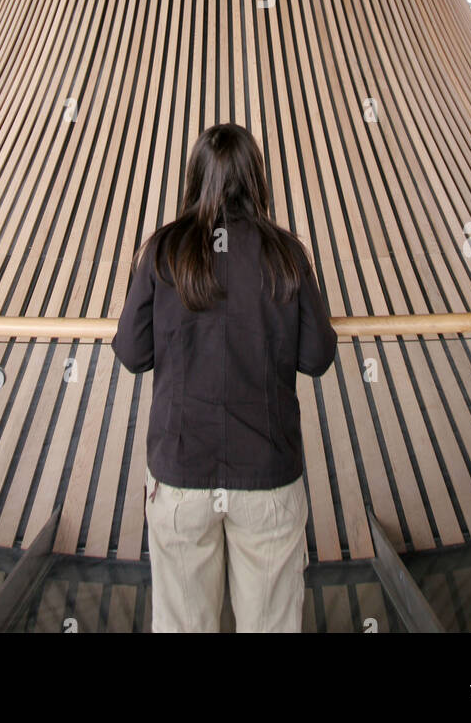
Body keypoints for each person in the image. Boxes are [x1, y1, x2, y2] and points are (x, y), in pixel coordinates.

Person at [112, 122, 337, 633]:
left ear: (194, 176)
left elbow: (132, 352)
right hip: (267, 472)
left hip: (180, 470)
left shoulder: (163, 250)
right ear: (257, 177)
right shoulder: (285, 253)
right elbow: (316, 357)